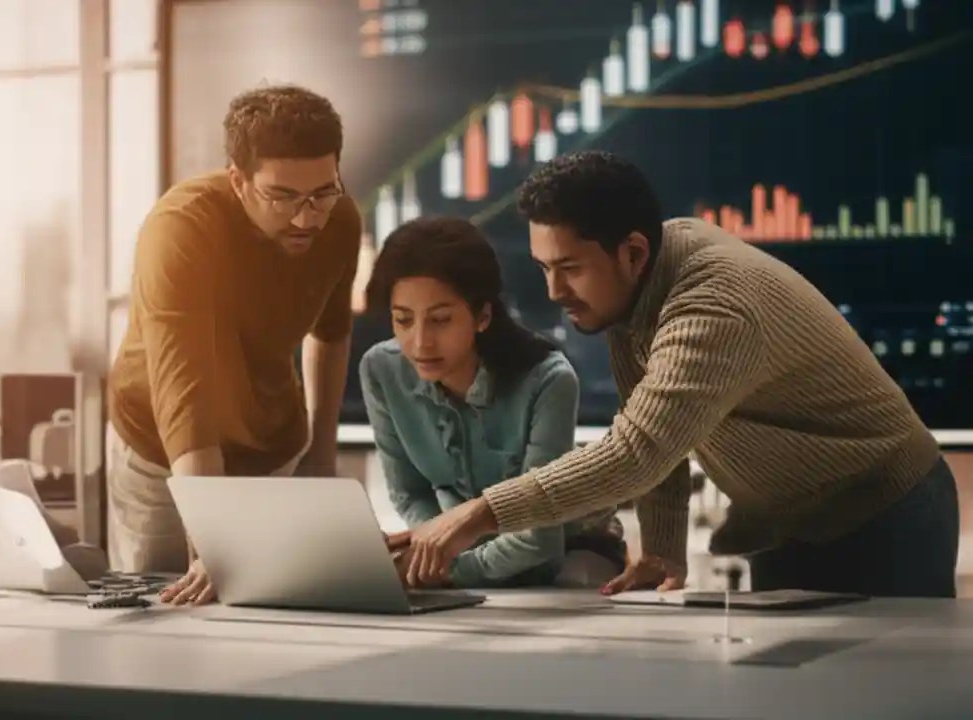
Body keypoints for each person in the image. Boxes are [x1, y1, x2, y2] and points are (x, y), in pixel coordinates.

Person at [395, 150, 959, 599]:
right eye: (545, 269)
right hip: (792, 523)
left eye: (570, 269)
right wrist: (663, 550)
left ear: (633, 252)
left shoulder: (713, 304)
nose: (554, 291)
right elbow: (658, 436)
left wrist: (478, 514)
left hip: (886, 515)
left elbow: (636, 451)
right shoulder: (634, 289)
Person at [107, 85, 361, 605]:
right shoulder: (181, 228)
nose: (307, 217)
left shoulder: (339, 220)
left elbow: (331, 333)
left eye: (323, 192)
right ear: (238, 181)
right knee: (162, 611)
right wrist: (213, 541)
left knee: (270, 609)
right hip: (162, 448)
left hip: (269, 445)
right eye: (283, 197)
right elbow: (185, 394)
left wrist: (321, 453)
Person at [360, 217, 626, 589]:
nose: (419, 343)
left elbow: (540, 538)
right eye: (403, 320)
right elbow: (410, 493)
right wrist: (429, 553)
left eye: (440, 320)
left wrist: (444, 569)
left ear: (482, 316)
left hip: (569, 553)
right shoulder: (381, 369)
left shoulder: (549, 380)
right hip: (464, 555)